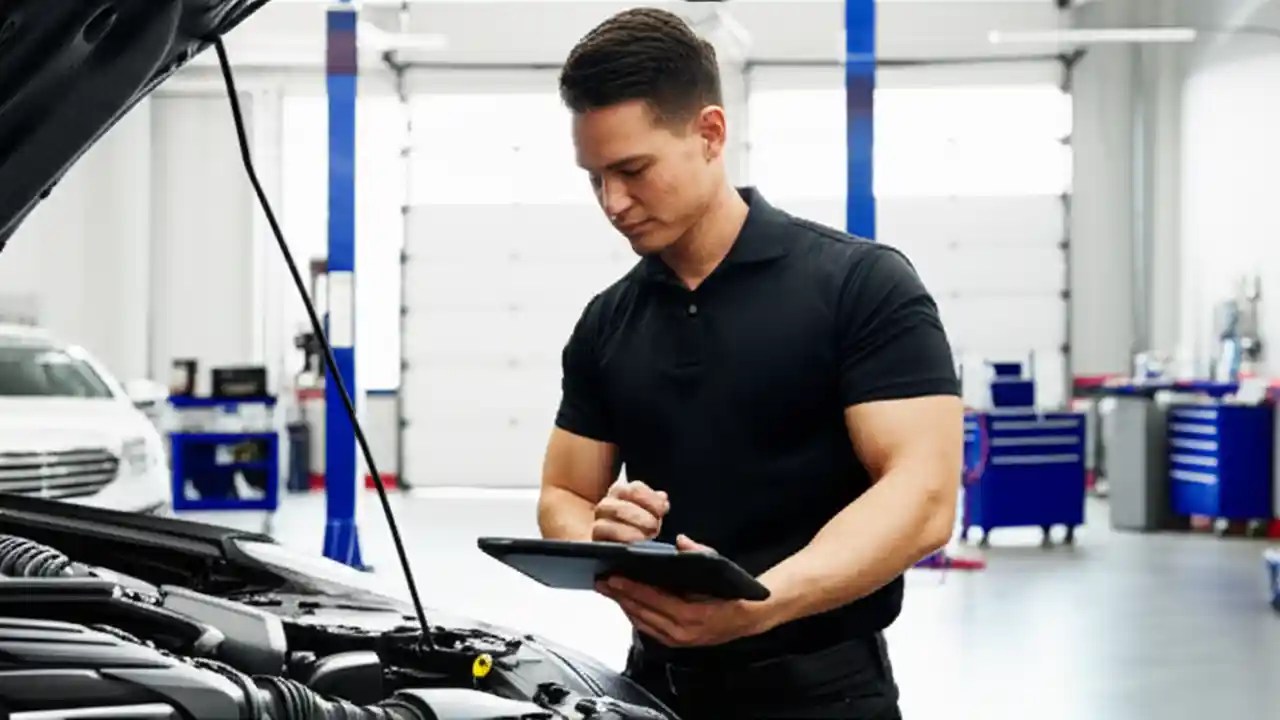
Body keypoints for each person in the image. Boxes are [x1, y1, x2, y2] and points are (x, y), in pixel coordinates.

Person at [536, 8, 963, 719]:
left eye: (633, 170)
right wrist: (603, 543)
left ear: (709, 134)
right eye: (595, 177)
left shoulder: (861, 287)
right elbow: (563, 494)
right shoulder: (607, 321)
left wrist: (758, 608)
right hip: (652, 690)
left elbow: (922, 500)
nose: (613, 202)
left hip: (824, 693)